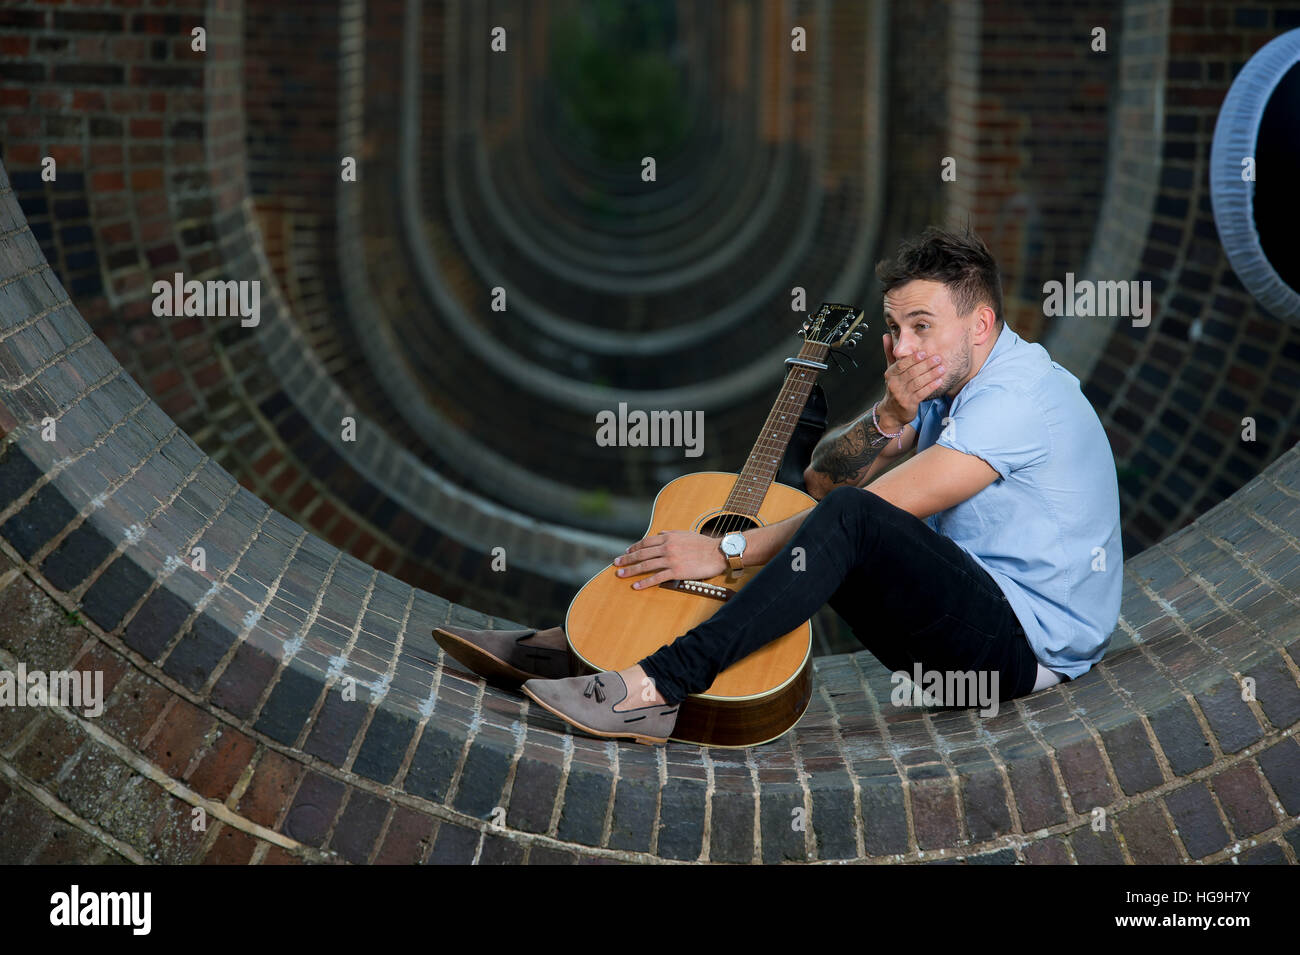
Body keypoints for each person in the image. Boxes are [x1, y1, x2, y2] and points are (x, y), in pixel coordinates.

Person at [434, 227, 1123, 745]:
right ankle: (587, 646)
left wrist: (727, 550)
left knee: (849, 518)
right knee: (820, 502)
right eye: (892, 329)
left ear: (981, 323)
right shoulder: (950, 386)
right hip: (962, 616)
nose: (902, 348)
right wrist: (888, 416)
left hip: (1019, 651)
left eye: (922, 327)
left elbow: (873, 509)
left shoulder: (1018, 398)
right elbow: (822, 481)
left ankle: (657, 683)